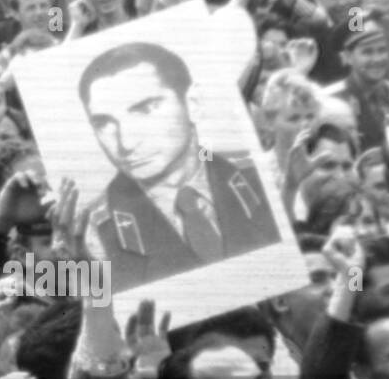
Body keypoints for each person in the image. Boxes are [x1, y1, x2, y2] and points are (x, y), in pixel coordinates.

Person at [77, 41, 280, 291]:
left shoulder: (260, 176)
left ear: (192, 104)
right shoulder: (94, 232)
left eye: (146, 109)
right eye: (104, 123)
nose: (126, 143)